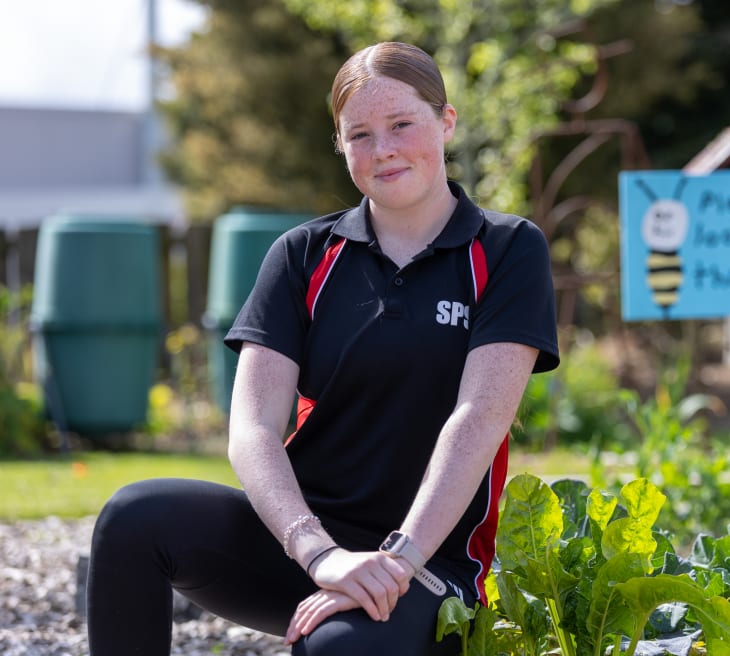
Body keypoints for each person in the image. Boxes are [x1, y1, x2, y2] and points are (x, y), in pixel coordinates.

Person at [87, 41, 559, 655]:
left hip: (429, 561)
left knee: (338, 649)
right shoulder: (302, 255)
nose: (382, 149)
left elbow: (480, 419)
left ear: (445, 123)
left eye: (401, 124)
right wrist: (320, 553)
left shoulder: (508, 250)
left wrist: (396, 560)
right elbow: (252, 427)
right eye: (358, 135)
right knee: (134, 518)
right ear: (340, 147)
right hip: (304, 542)